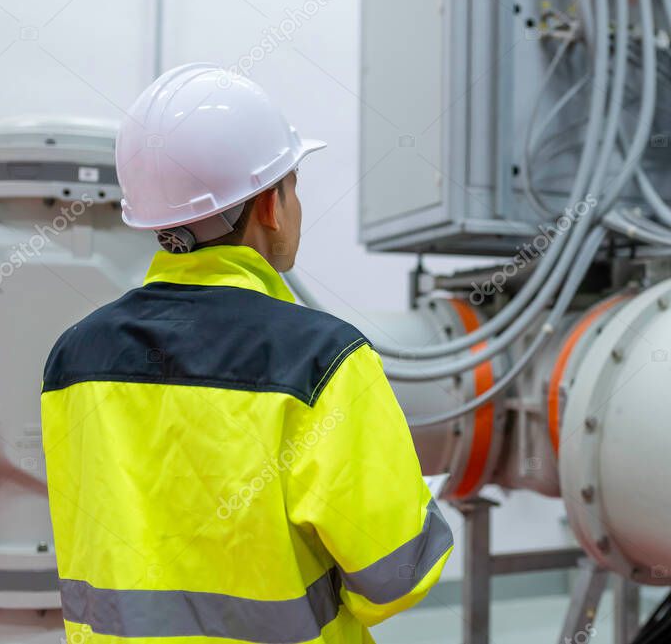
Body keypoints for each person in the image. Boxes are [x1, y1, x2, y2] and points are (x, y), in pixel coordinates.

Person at [40, 63, 452, 644]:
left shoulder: (73, 356)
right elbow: (397, 576)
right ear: (269, 205)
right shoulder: (322, 360)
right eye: (292, 184)